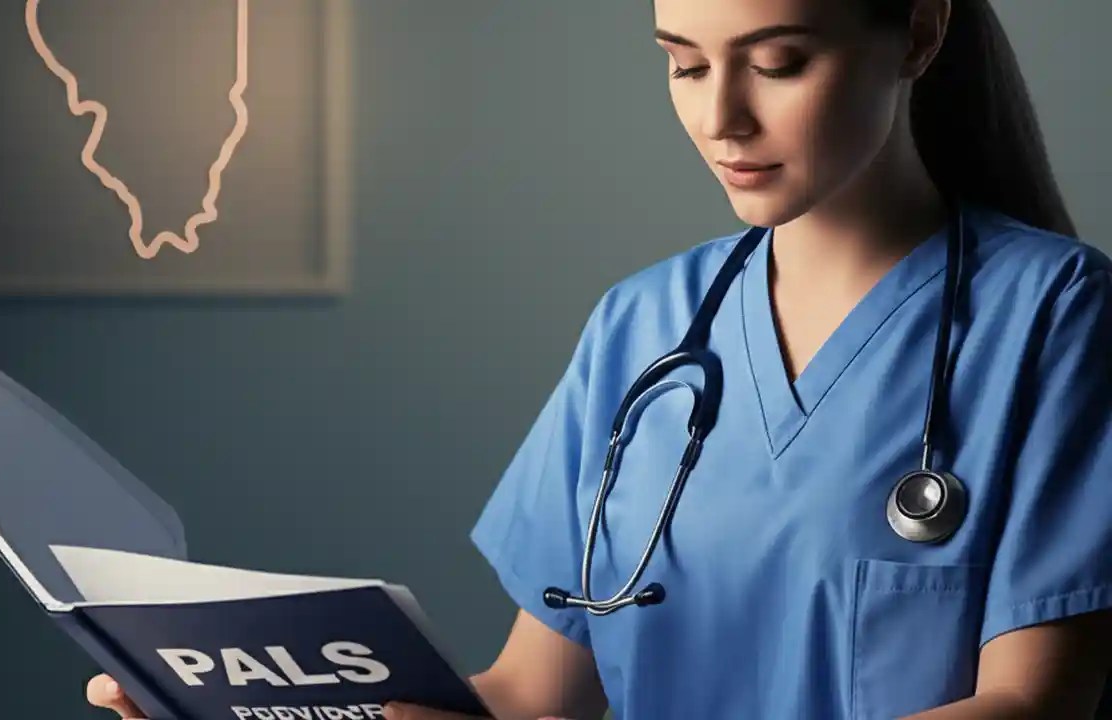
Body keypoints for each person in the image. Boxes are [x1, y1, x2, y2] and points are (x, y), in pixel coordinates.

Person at [90, 0, 1112, 717]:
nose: (719, 118)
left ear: (917, 33)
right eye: (682, 62)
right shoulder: (642, 326)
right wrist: (238, 706)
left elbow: (1030, 701)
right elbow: (533, 694)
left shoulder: (1053, 314)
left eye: (778, 61)